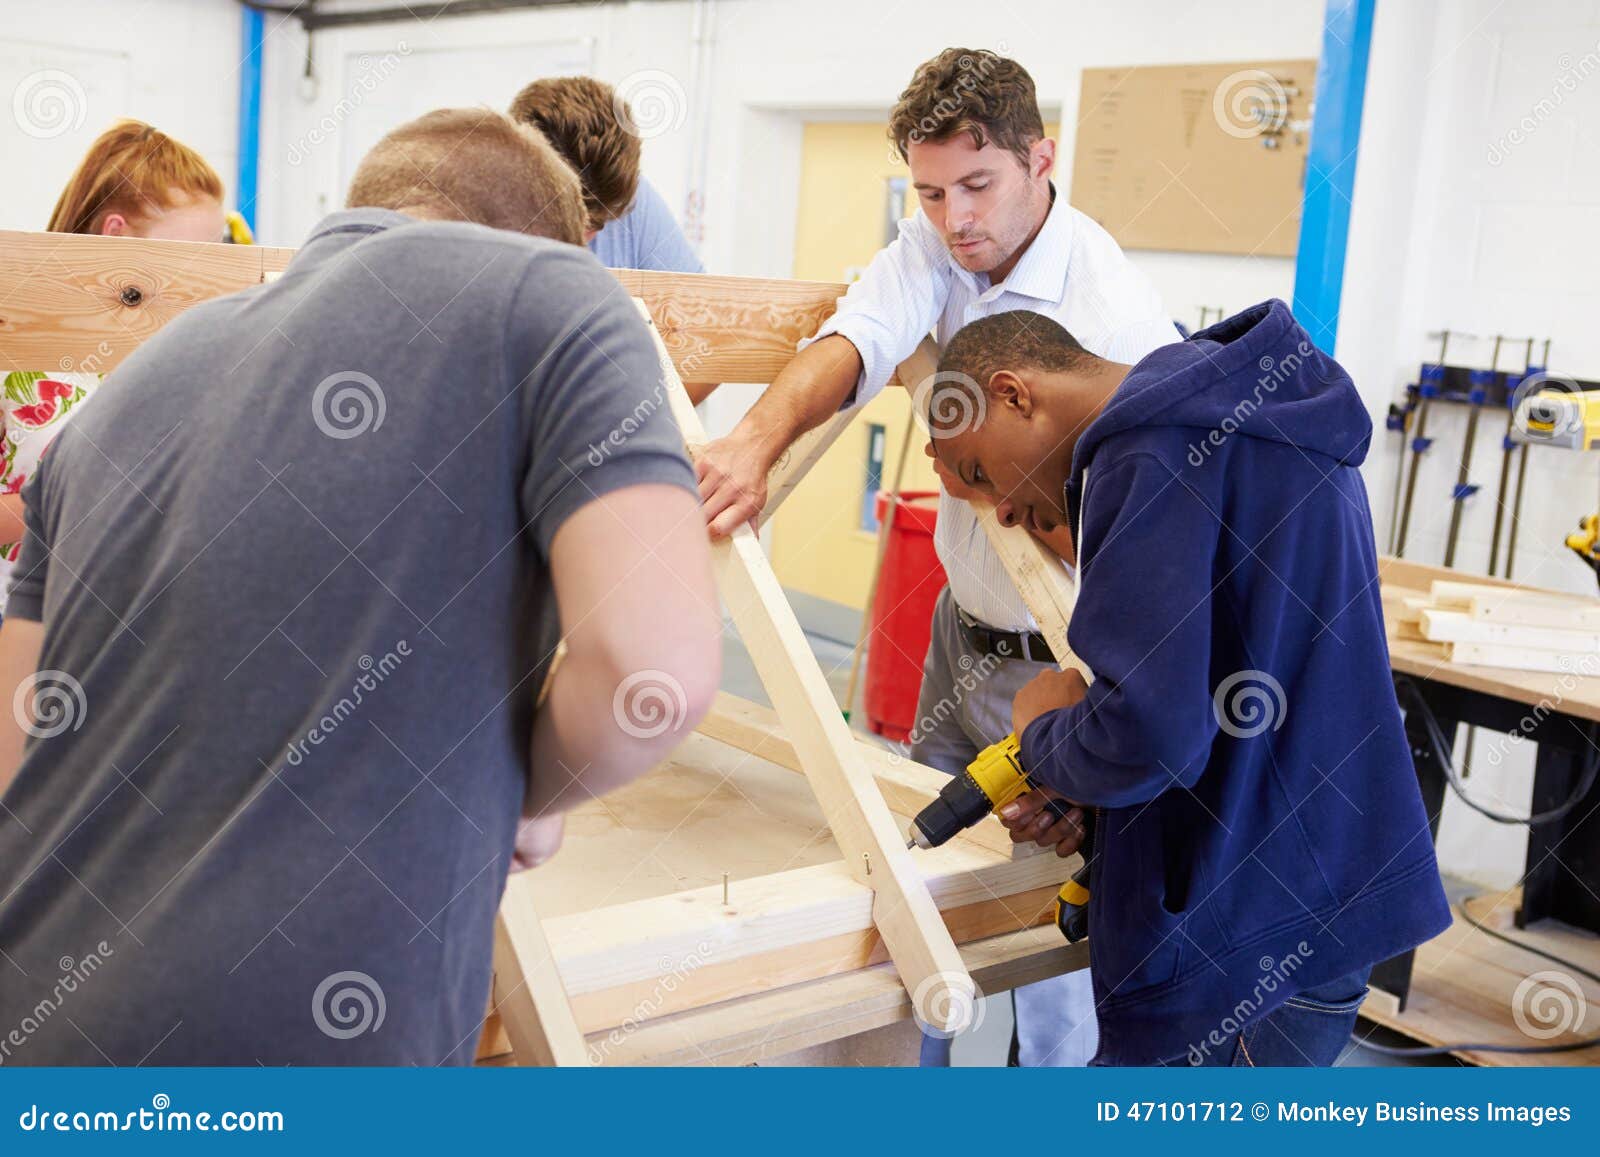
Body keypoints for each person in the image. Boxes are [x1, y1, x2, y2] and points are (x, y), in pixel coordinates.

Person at [0, 108, 721, 1065]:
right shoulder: (559, 294)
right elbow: (652, 679)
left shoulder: (120, 397)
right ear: (540, 239)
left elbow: (18, 749)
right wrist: (516, 789)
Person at [698, 47, 1178, 1066]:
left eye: (976, 185)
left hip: (1071, 659)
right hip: (960, 638)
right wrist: (750, 441)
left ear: (1040, 158)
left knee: (1049, 929)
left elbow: (1122, 544)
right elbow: (856, 334)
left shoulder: (1107, 318)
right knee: (917, 880)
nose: (955, 216)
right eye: (928, 192)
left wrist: (1085, 715)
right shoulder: (936, 245)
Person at [927, 305, 1452, 1066]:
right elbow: (1218, 699)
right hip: (1312, 907)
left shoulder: (1148, 447)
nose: (1000, 508)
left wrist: (1045, 726)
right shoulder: (1255, 422)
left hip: (1240, 947)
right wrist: (1101, 802)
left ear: (1014, 393)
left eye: (979, 472)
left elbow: (1152, 733)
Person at [0, 120, 227, 619]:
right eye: (194, 257)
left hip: (136, 625)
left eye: (220, 254)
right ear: (116, 236)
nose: (210, 280)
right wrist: (81, 509)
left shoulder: (190, 351)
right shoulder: (15, 327)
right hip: (23, 620)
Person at [509, 75, 703, 274]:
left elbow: (696, 298)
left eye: (596, 224)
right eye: (563, 219)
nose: (579, 240)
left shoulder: (628, 199)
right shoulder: (481, 203)